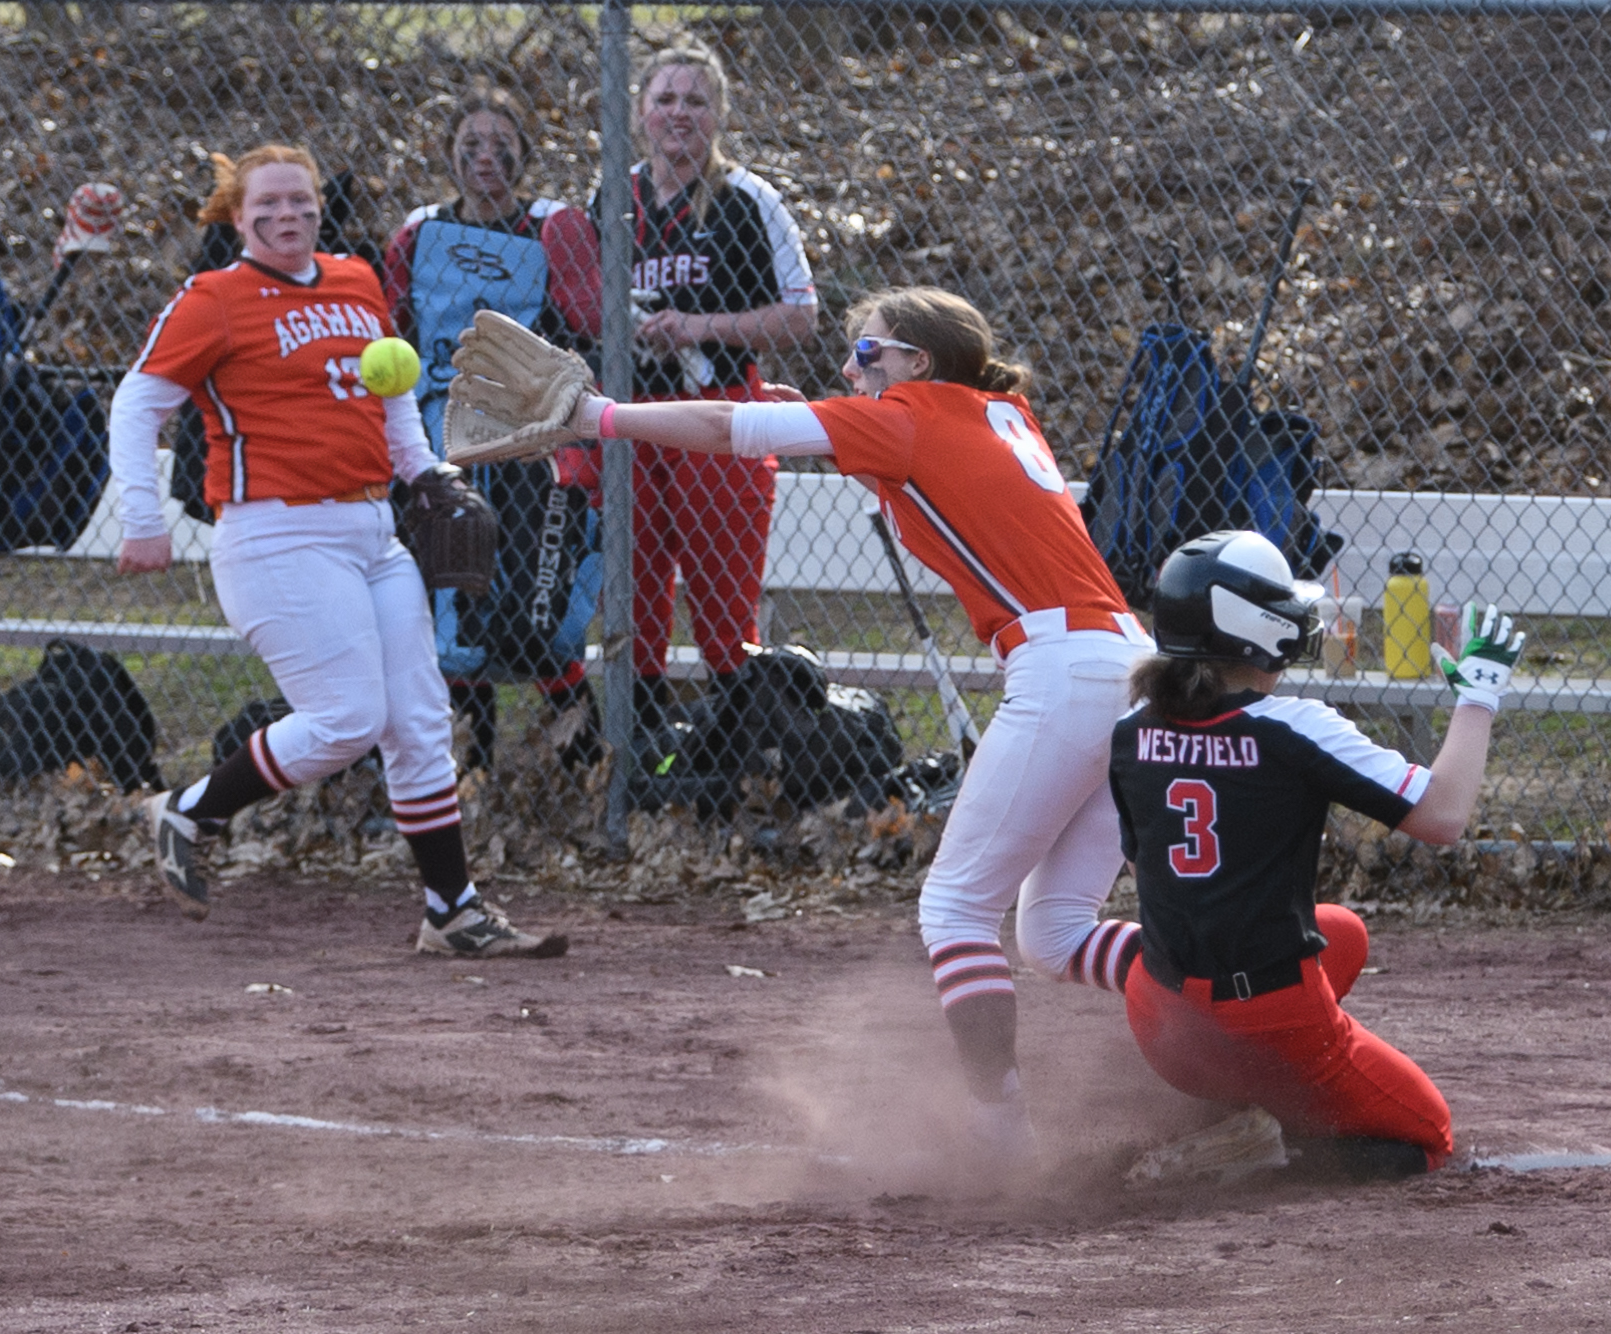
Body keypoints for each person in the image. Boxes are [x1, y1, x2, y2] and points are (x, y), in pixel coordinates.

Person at [447, 286, 1156, 1161]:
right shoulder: (1002, 411)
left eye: (870, 355)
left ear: (917, 365)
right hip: (1132, 672)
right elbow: (938, 468)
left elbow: (726, 433)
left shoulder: (904, 420)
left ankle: (1001, 1131)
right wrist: (835, 416)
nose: (852, 368)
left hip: (1063, 674)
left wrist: (599, 414)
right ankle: (1230, 1011)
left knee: (955, 908)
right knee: (1055, 934)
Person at [108, 142, 566, 959]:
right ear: (237, 215)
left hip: (372, 532)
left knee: (421, 722)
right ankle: (191, 807)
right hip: (276, 534)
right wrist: (142, 516)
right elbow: (138, 401)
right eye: (267, 204)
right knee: (348, 718)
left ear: (320, 206)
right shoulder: (214, 298)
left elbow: (390, 397)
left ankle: (453, 911)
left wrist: (425, 474)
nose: (286, 215)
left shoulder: (355, 280)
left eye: (300, 200)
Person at [1110, 531, 1523, 1178]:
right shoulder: (1292, 726)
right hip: (1265, 1019)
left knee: (1344, 934)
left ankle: (1237, 1103)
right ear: (1251, 628)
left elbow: (1147, 870)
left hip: (1161, 1019)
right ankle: (1269, 1148)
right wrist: (1479, 697)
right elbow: (1443, 816)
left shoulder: (1129, 732)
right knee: (1429, 1137)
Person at [381, 88, 604, 773]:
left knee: (524, 614)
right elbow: (390, 330)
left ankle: (590, 755)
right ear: (448, 154)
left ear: (524, 152)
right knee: (452, 604)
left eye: (501, 141)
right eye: (470, 142)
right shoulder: (418, 233)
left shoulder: (552, 227)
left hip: (526, 441)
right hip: (437, 440)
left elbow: (593, 330)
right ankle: (463, 766)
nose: (486, 156)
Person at [604, 44, 819, 731]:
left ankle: (738, 754)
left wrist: (698, 327)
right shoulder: (612, 200)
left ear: (719, 113)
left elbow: (801, 315)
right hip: (631, 419)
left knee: (723, 603)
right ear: (640, 111)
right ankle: (643, 751)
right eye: (665, 99)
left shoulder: (748, 200)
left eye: (695, 101)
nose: (679, 114)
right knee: (633, 595)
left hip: (721, 418)